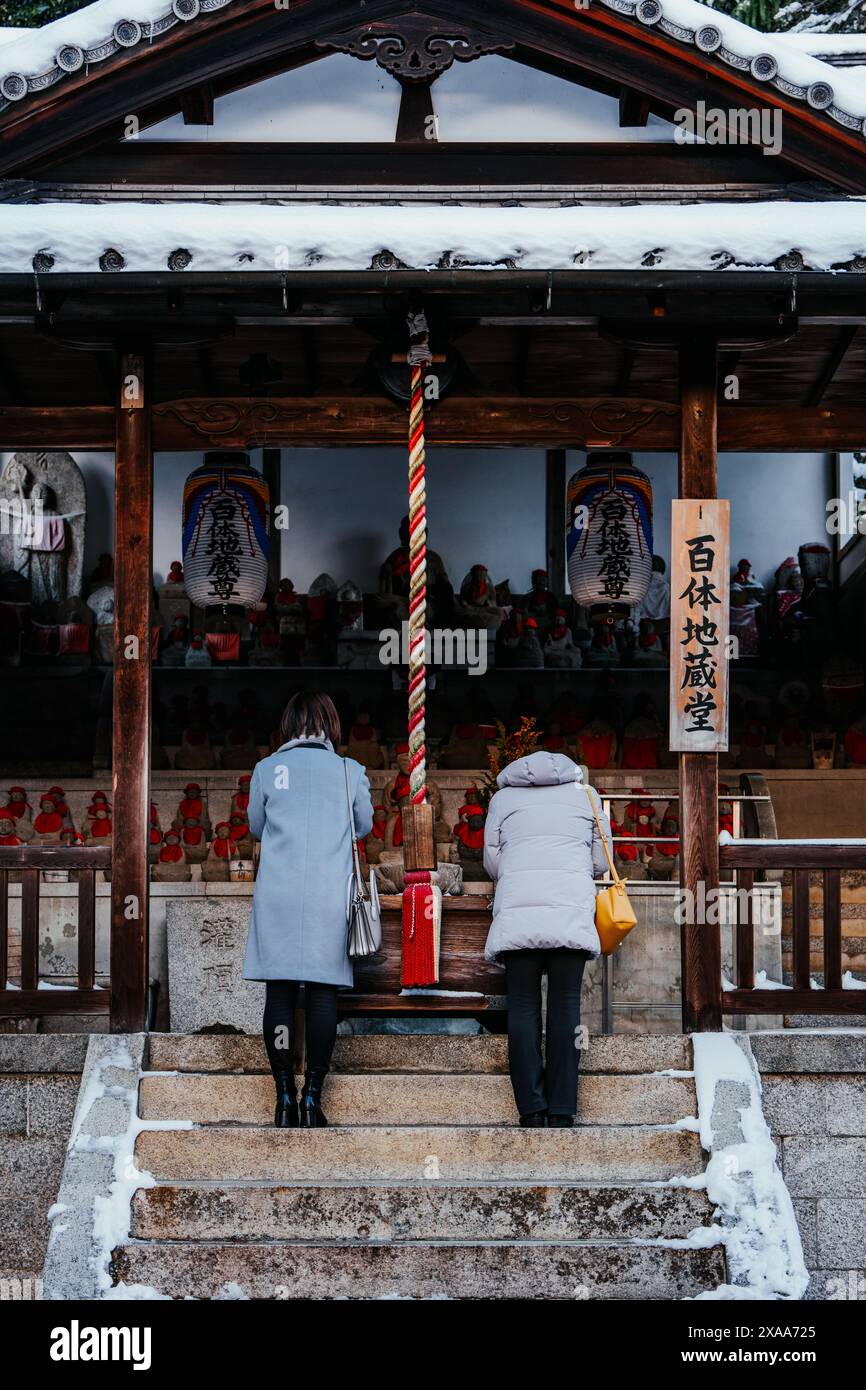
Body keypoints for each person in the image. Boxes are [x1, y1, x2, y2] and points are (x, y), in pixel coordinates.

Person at [243, 690, 373, 1128]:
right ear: (330, 725)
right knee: (322, 995)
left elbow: (256, 827)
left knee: (279, 993)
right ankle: (313, 1096)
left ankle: (283, 1097)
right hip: (327, 894)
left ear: (287, 725)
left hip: (278, 892)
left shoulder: (267, 770)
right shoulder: (348, 772)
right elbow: (364, 825)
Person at [483, 750, 612, 1128]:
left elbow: (492, 862)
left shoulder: (503, 799)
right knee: (566, 1007)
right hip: (569, 912)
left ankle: (531, 1108)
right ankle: (561, 1108)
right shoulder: (586, 796)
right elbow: (603, 861)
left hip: (519, 913)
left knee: (521, 1007)